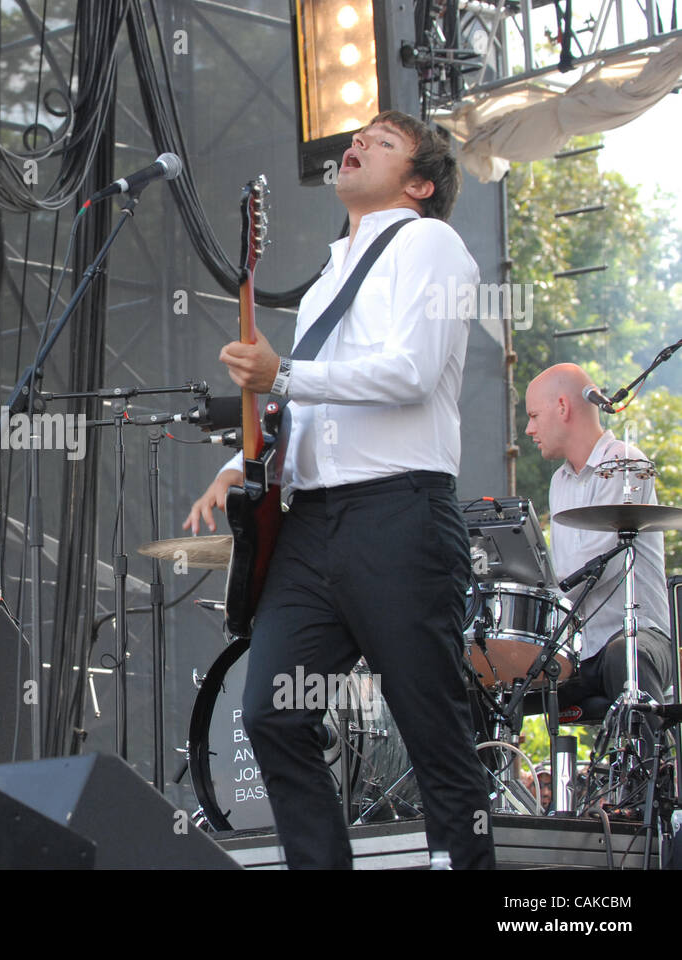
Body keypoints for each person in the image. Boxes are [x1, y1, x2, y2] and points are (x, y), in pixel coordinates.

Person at [184, 111, 495, 869]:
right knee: (270, 716)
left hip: (400, 514)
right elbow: (320, 405)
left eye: (381, 142)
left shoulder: (429, 243)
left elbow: (411, 372)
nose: (354, 145)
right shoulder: (329, 277)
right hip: (315, 524)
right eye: (356, 137)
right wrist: (248, 459)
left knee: (432, 730)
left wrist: (282, 373)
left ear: (420, 184)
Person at [523, 363, 674, 716]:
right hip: (583, 652)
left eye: (533, 415)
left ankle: (653, 766)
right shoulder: (559, 481)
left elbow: (591, 571)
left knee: (624, 655)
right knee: (490, 689)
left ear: (562, 407)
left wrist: (531, 586)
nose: (529, 429)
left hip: (642, 639)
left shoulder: (623, 464)